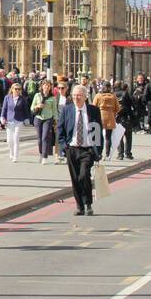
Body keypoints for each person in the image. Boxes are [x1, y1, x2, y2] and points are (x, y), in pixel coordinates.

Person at [58, 84, 103, 216]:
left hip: (87, 149)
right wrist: (64, 147)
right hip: (72, 149)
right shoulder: (67, 110)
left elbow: (98, 131)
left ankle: (88, 203)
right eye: (74, 95)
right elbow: (60, 129)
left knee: (84, 176)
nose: (76, 98)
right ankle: (79, 206)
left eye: (79, 95)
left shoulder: (93, 111)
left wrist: (98, 151)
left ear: (85, 97)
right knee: (75, 179)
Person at [0, 81, 30, 162]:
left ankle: (15, 156)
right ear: (12, 89)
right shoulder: (7, 97)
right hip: (9, 121)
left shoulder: (22, 98)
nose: (17, 90)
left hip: (19, 120)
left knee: (16, 138)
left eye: (19, 89)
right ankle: (11, 152)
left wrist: (27, 119)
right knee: (9, 140)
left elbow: (25, 110)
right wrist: (2, 117)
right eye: (16, 89)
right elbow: (4, 108)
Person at [93, 83, 121, 160]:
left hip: (100, 116)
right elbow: (118, 108)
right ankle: (107, 155)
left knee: (99, 136)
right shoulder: (113, 96)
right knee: (108, 137)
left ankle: (99, 153)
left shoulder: (98, 96)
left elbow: (93, 106)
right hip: (110, 117)